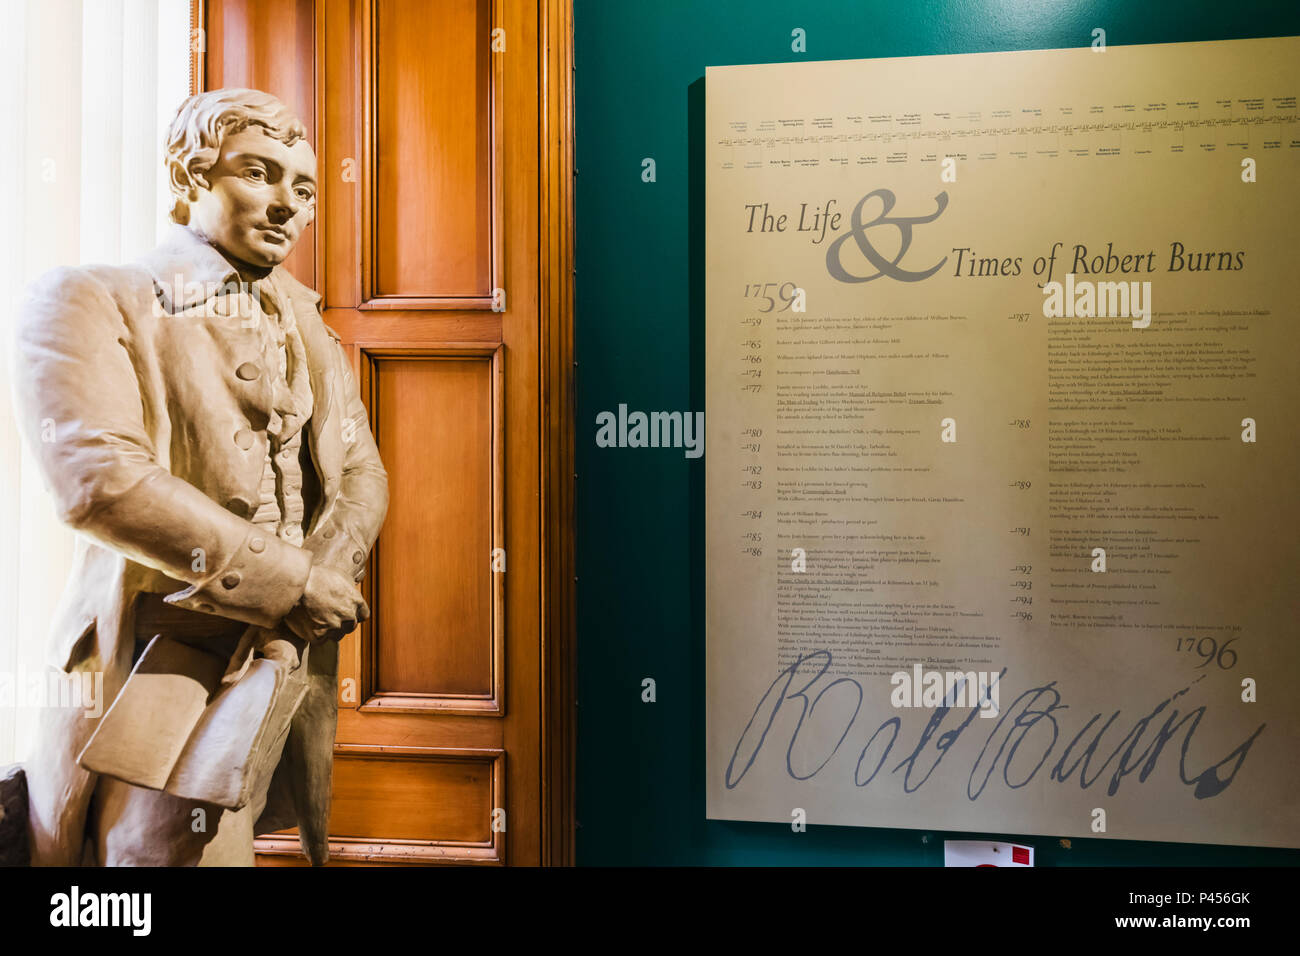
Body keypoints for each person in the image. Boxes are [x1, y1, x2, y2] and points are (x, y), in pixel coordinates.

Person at [10, 88, 388, 865]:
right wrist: (288, 582)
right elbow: (100, 480)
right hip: (145, 662)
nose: (287, 204)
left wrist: (317, 588)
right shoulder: (93, 298)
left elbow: (359, 470)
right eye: (259, 172)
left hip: (278, 669)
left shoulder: (308, 323)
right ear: (189, 177)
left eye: (305, 188)